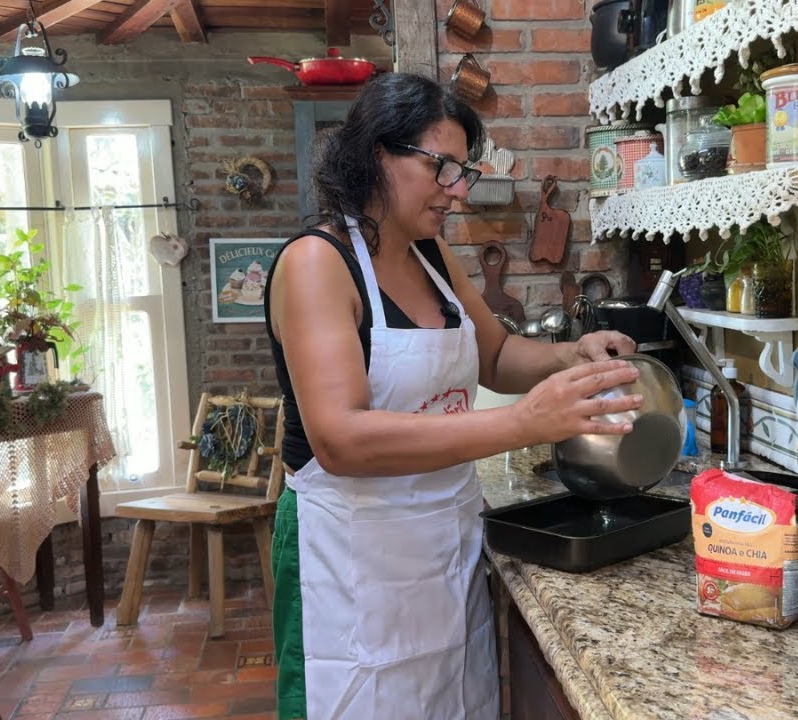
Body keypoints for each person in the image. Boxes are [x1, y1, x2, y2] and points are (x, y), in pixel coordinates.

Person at [263, 72, 642, 720]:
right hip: (349, 555)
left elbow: (493, 354)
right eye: (442, 167)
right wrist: (524, 423)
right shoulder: (316, 264)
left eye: (462, 171)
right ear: (376, 154)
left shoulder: (431, 253)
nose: (457, 189)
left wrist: (572, 356)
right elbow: (342, 439)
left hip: (442, 543)